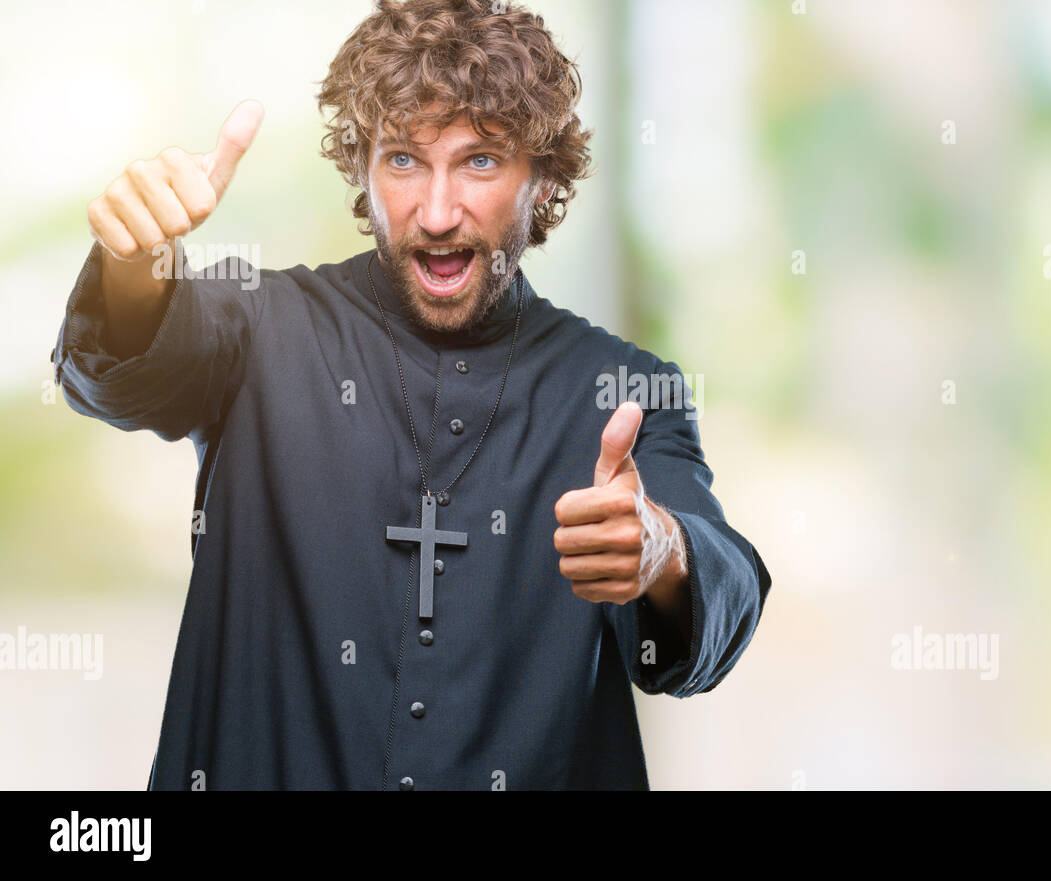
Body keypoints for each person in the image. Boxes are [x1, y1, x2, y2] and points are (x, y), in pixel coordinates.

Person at [54, 0, 770, 790]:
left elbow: (721, 601)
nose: (435, 213)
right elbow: (123, 373)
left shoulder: (626, 391)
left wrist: (662, 548)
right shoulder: (256, 324)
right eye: (402, 159)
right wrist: (133, 263)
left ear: (544, 176)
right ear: (361, 166)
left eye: (481, 162)